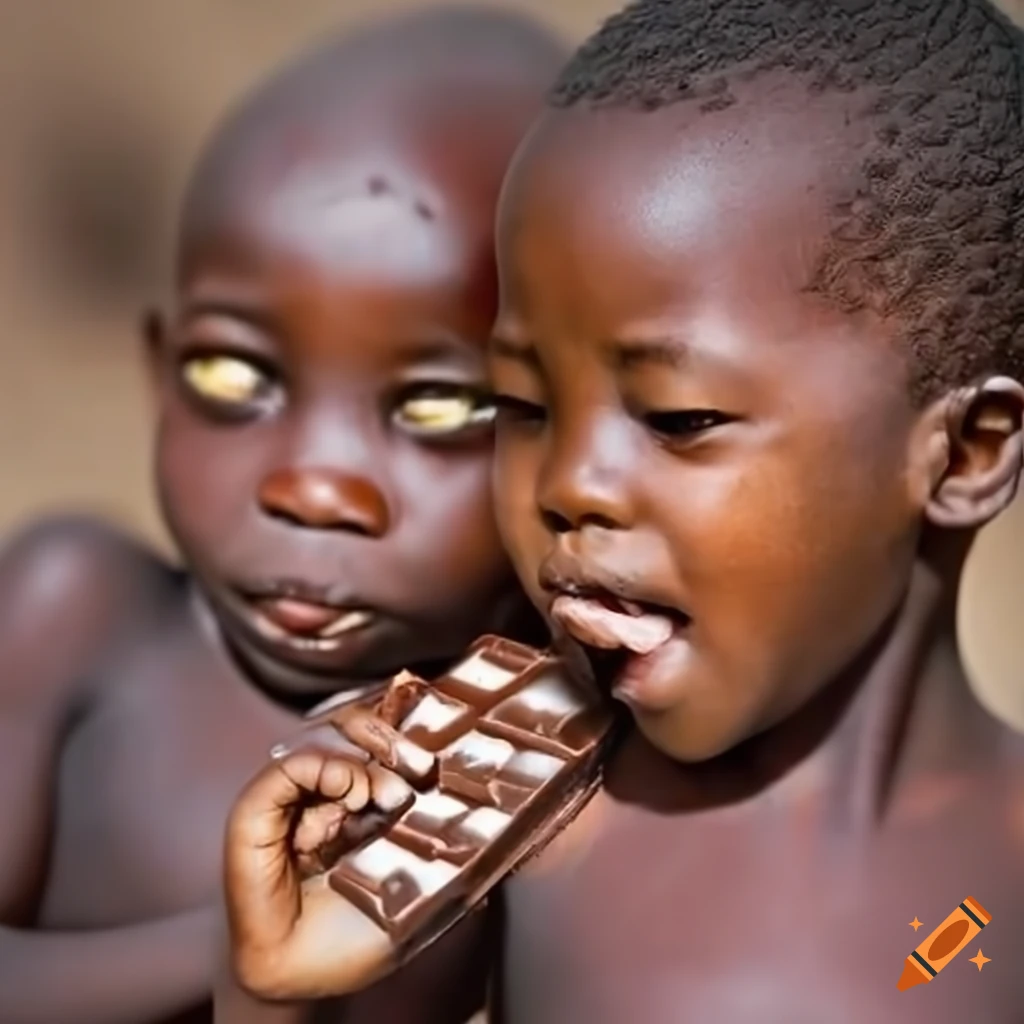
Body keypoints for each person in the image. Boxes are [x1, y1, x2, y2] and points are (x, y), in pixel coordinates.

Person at [220, 1, 1024, 1021]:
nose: (568, 483)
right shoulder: (491, 822)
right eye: (521, 404)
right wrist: (279, 986)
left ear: (962, 452)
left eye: (678, 416)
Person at [0, 9, 565, 1023]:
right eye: (232, 375)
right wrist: (242, 941)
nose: (312, 485)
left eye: (438, 406)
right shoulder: (76, 609)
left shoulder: (534, 755)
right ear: (157, 371)